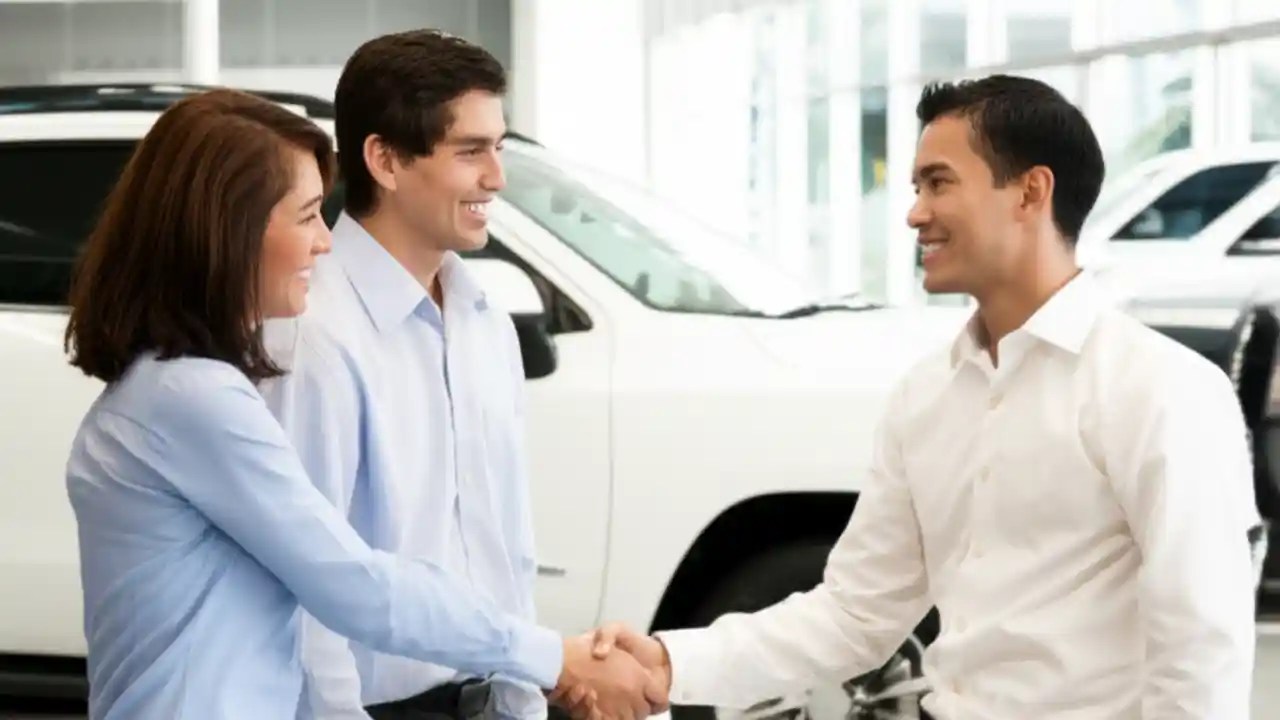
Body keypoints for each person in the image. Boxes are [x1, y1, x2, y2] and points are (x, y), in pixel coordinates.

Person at [590, 75, 1261, 719]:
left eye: (938, 183)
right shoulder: (926, 396)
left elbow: (1201, 650)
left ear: (1031, 193)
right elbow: (856, 613)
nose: (915, 213)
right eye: (915, 186)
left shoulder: (1161, 390)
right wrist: (667, 661)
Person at [63, 88, 656, 720]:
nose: (324, 243)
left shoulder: (182, 388)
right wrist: (550, 656)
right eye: (308, 215)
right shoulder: (191, 400)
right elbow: (354, 585)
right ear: (231, 230)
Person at [256, 29, 637, 720]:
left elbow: (504, 546)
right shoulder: (312, 334)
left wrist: (519, 701)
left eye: (499, 147)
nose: (497, 176)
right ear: (385, 160)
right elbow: (305, 589)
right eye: (471, 152)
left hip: (487, 697)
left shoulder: (483, 318)